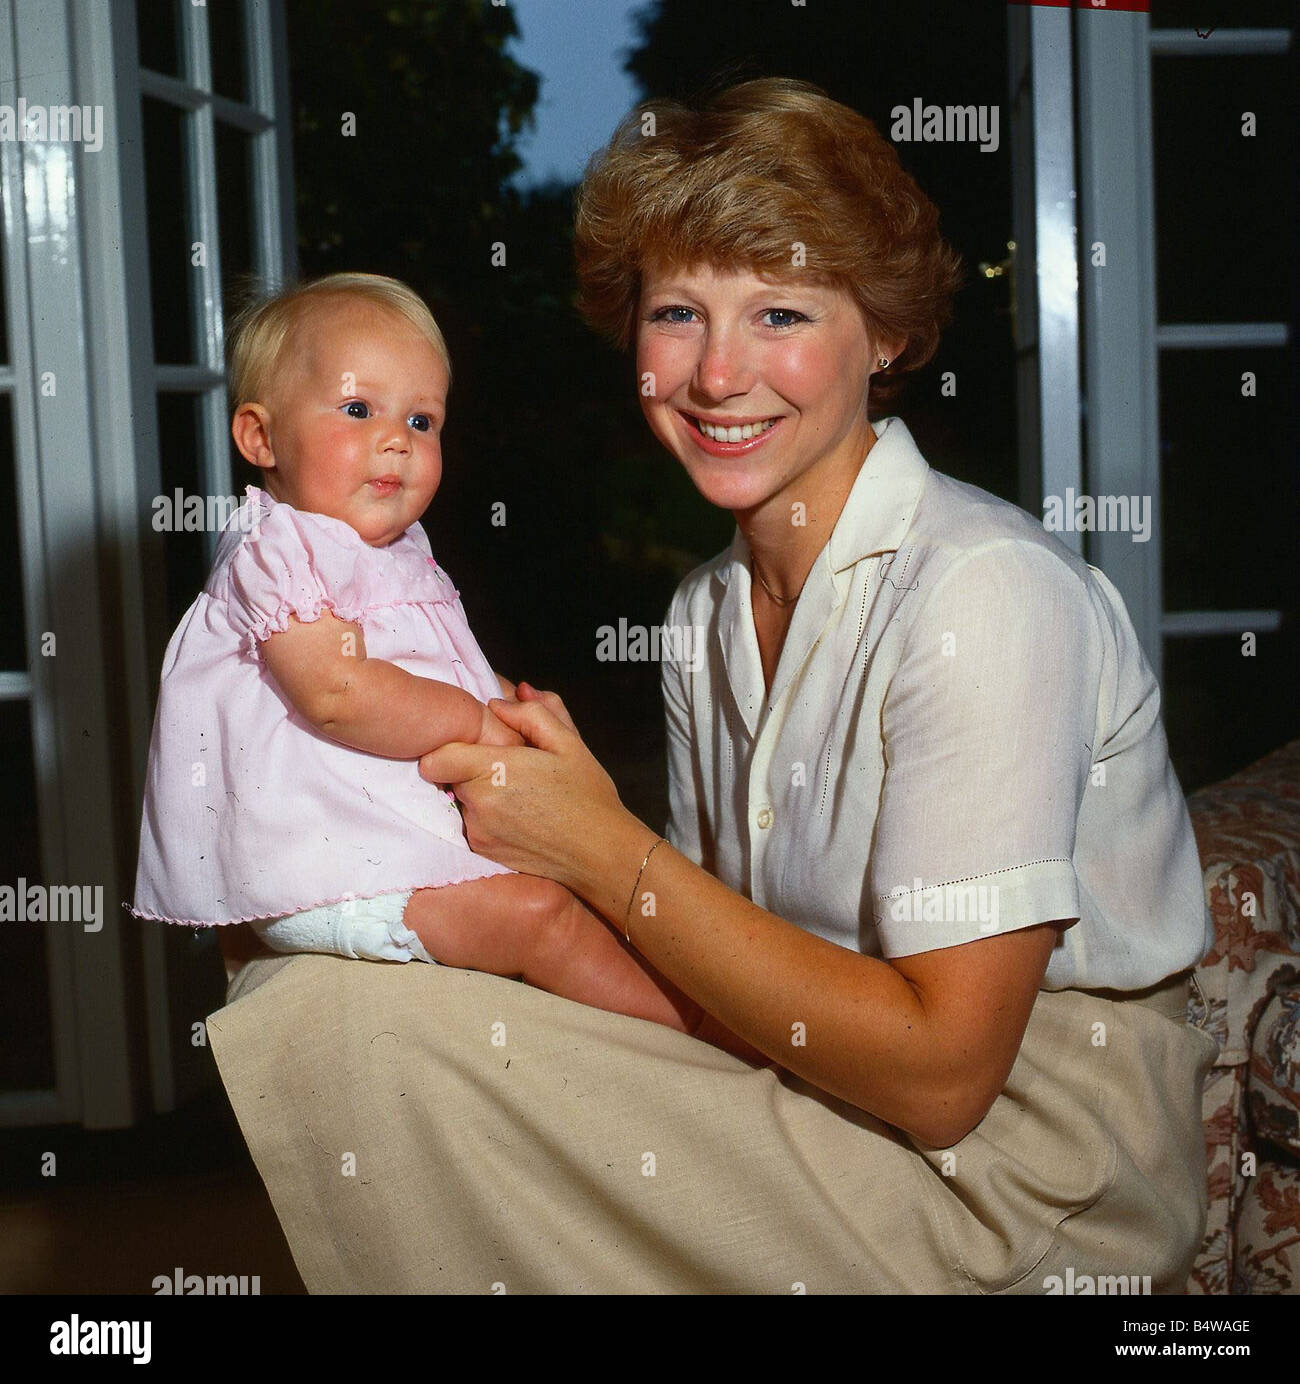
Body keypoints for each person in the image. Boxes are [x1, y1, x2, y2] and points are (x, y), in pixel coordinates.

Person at [206, 81, 1219, 1295]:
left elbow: (946, 1077)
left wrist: (598, 849)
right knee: (341, 1000)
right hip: (817, 1076)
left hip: (1021, 1170)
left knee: (354, 1037)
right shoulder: (702, 612)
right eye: (678, 312)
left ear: (886, 334)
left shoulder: (984, 592)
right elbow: (708, 960)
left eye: (780, 310)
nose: (718, 373)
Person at [131, 272, 710, 1035]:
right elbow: (337, 694)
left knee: (580, 875)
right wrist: (474, 720)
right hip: (327, 870)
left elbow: (439, 659)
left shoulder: (397, 550)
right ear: (260, 437)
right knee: (538, 915)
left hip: (386, 842)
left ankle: (683, 1005)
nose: (397, 438)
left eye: (423, 419)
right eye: (358, 409)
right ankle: (700, 1035)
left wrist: (510, 706)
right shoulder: (279, 551)